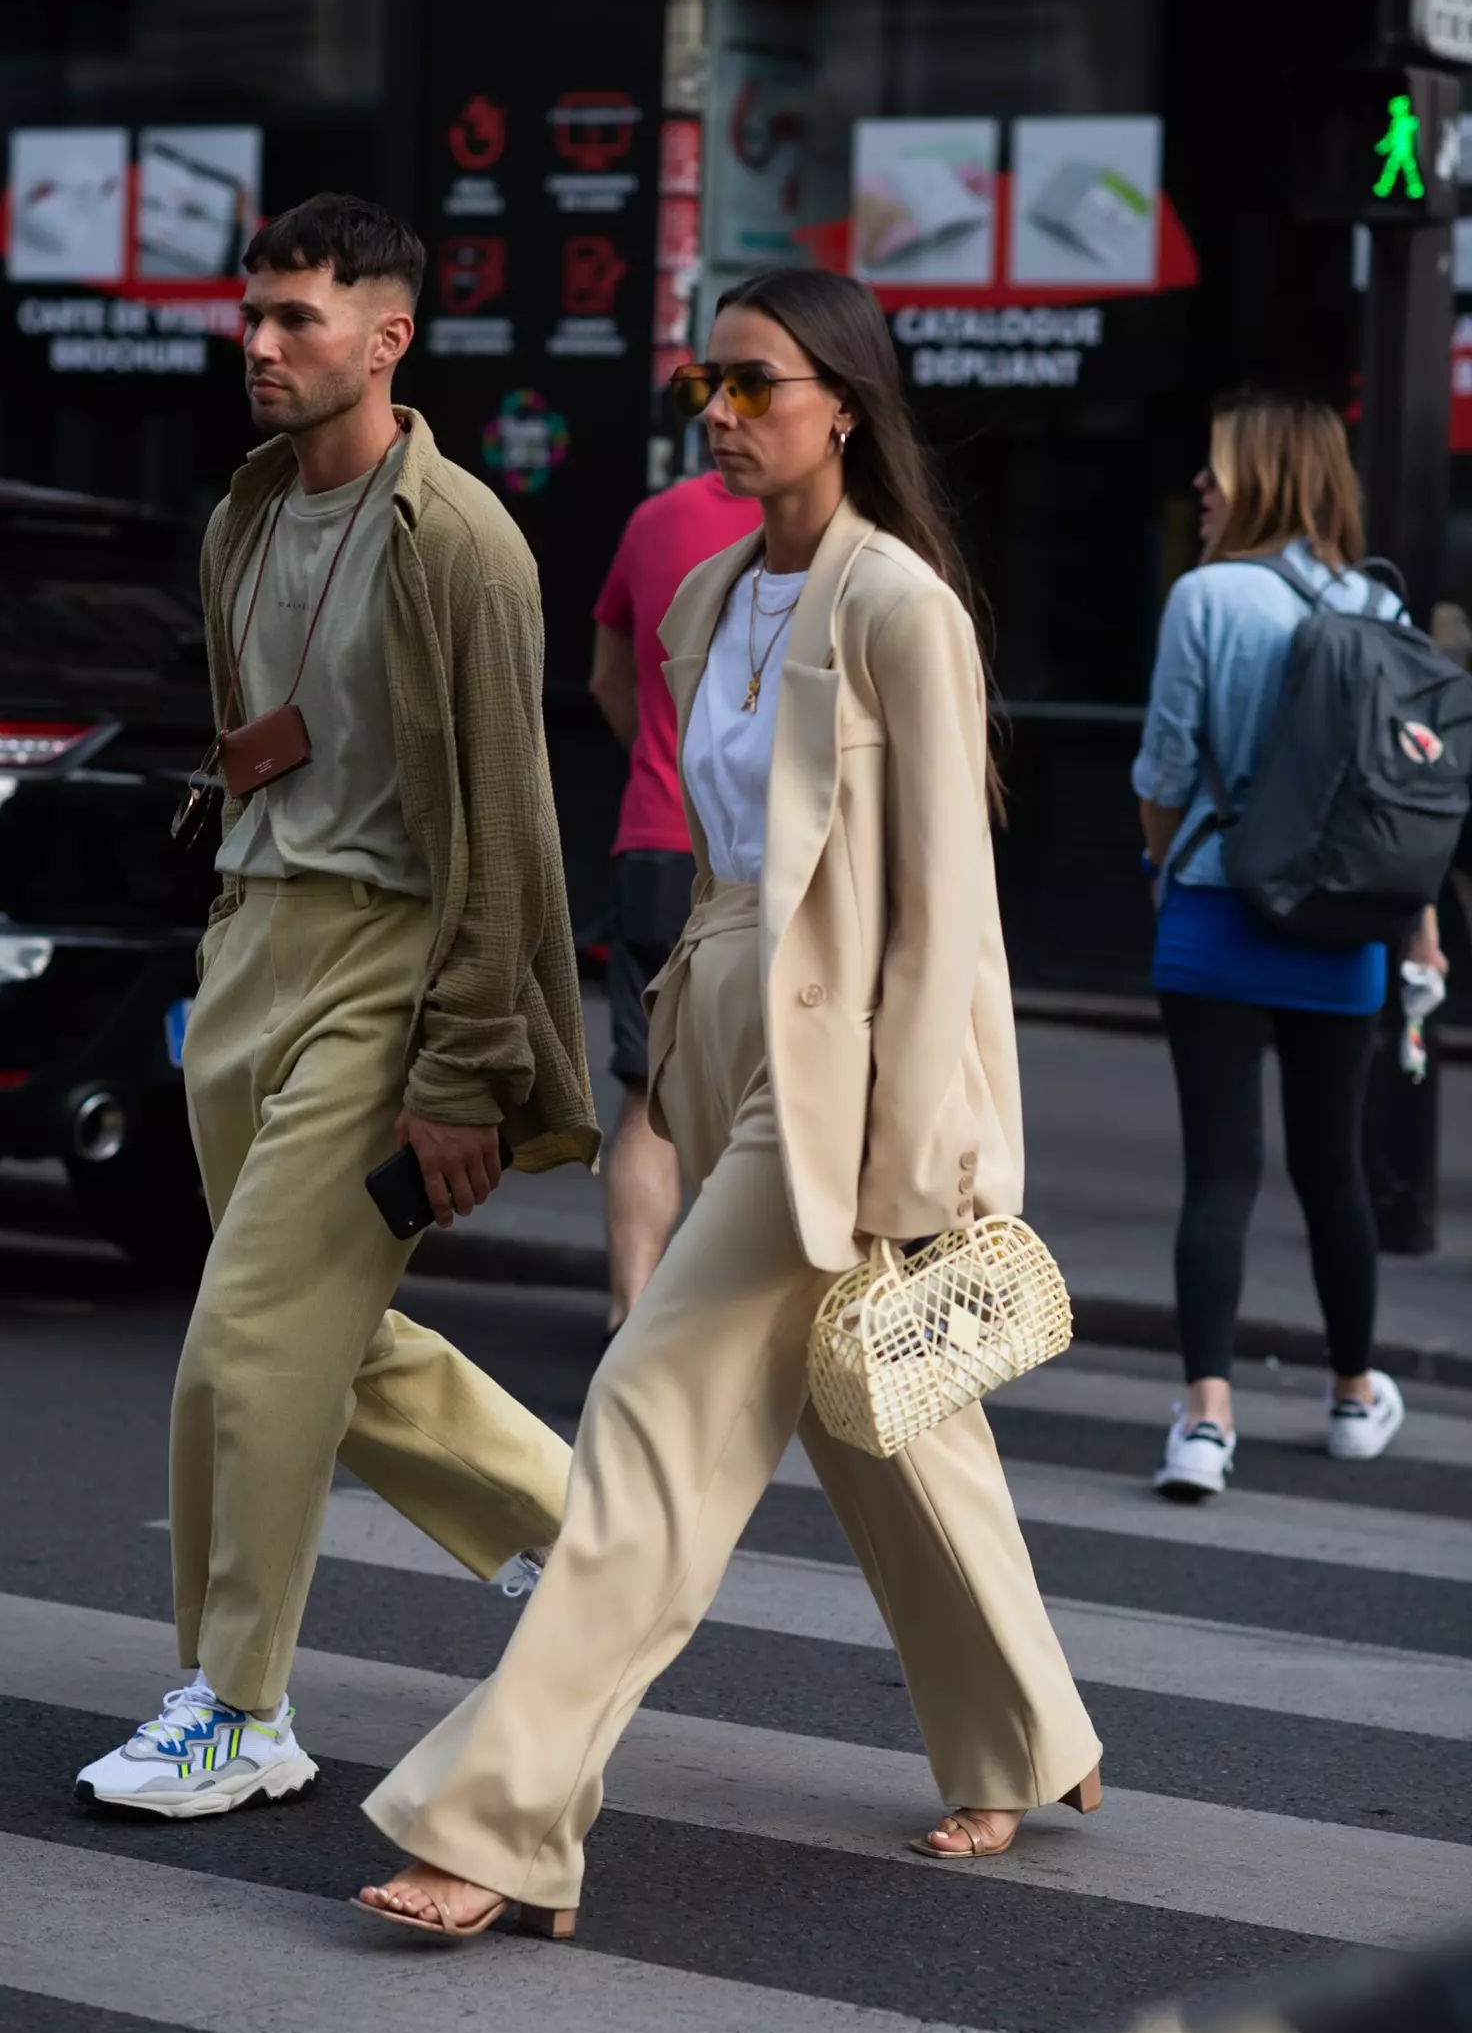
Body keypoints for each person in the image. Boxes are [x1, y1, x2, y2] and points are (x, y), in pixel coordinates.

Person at [350, 264, 1102, 1941]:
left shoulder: (903, 607)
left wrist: (939, 1148)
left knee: (652, 1415)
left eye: (760, 385)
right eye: (716, 386)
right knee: (882, 1412)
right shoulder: (704, 601)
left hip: (846, 1059)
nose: (729, 414)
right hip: (721, 1010)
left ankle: (500, 1823)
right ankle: (1028, 1733)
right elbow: (702, 818)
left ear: (846, 403)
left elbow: (950, 907)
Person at [77, 193, 597, 1816]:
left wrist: (467, 1069)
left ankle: (237, 1703)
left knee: (244, 1335)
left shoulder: (466, 545)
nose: (260, 343)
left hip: (393, 961)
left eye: (298, 318)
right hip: (251, 948)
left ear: (389, 338)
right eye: (252, 315)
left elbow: (508, 837)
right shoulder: (243, 514)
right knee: (305, 1331)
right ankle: (594, 1537)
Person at [1132, 390, 1445, 1503]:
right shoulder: (1380, 605)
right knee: (1334, 1174)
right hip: (1346, 927)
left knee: (1217, 1174)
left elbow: (1165, 771)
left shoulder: (1203, 596)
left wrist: (1158, 867)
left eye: (1218, 468)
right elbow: (1405, 796)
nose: (1203, 487)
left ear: (1261, 473)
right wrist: (1421, 929)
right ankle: (1355, 1393)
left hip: (1218, 907)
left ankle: (1205, 1423)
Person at [590, 467, 761, 1334]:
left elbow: (607, 680)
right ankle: (723, 1329)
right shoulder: (823, 528)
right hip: (762, 861)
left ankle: (632, 1311)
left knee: (646, 1096)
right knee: (763, 1110)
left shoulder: (655, 518)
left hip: (655, 837)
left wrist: (668, 764)